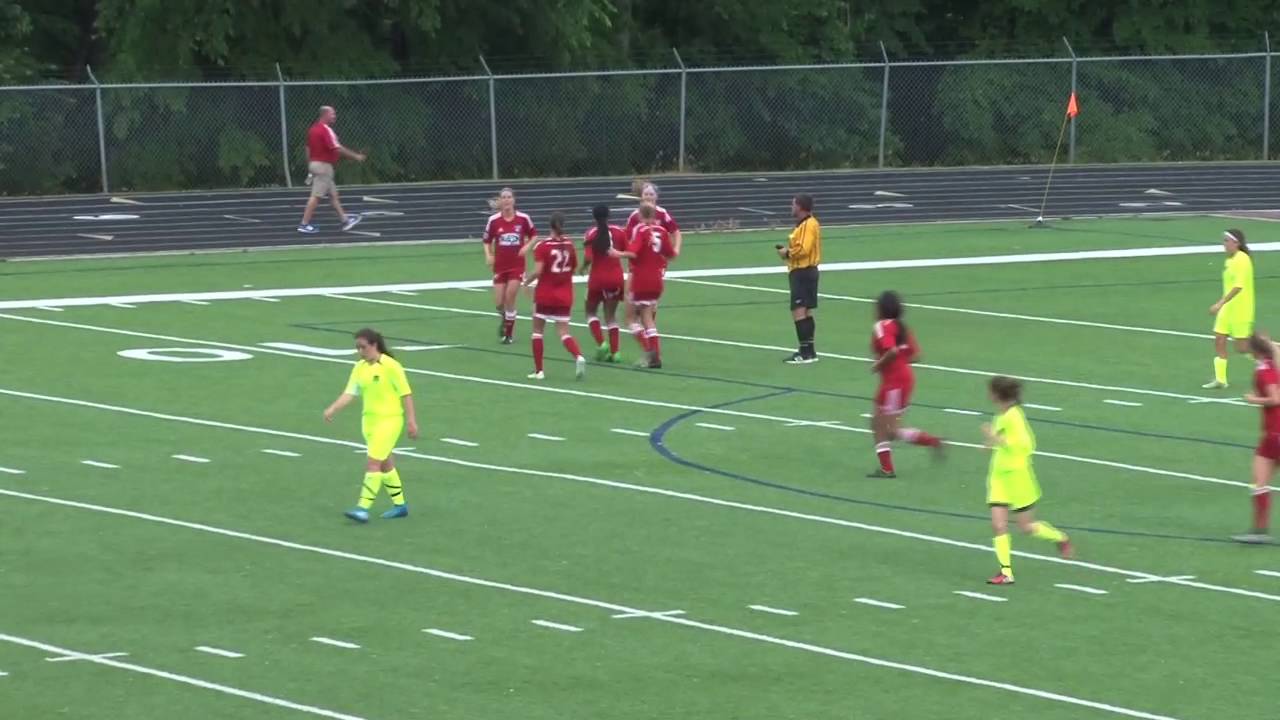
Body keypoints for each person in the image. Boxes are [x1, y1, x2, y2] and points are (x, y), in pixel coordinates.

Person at [981, 376, 1072, 585]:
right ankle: (1006, 572)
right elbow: (1000, 439)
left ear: (997, 394)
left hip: (1018, 477)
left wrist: (995, 439)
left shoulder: (1015, 417)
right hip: (999, 478)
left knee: (1026, 527)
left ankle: (1060, 538)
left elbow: (1024, 445)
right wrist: (990, 443)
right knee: (998, 525)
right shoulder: (1001, 415)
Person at [323, 328, 419, 523]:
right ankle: (400, 506)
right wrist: (332, 409)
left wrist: (411, 421)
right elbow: (350, 392)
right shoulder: (359, 368)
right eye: (357, 348)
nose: (360, 351)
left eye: (363, 347)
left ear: (374, 345)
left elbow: (406, 393)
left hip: (389, 420)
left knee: (373, 463)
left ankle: (363, 508)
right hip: (369, 422)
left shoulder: (391, 366)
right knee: (385, 464)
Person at [866, 291, 942, 478]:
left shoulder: (882, 326)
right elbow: (915, 355)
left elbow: (890, 350)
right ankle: (931, 442)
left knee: (884, 428)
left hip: (893, 382)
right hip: (905, 379)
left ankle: (888, 468)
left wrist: (879, 365)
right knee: (882, 425)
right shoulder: (903, 328)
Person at [612, 203, 678, 369]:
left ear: (640, 216)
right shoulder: (662, 231)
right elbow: (671, 255)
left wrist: (616, 253)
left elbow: (633, 252)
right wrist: (676, 248)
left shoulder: (640, 230)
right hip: (657, 280)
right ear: (655, 216)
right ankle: (655, 357)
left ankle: (649, 351)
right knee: (648, 318)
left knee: (630, 319)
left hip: (641, 279)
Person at [521, 212, 586, 380]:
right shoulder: (570, 245)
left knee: (537, 332)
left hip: (545, 294)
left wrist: (526, 282)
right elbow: (573, 267)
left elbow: (538, 271)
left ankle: (539, 371)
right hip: (564, 294)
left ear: (550, 225)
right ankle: (578, 356)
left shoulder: (543, 246)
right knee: (564, 332)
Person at [1234, 333, 1280, 543]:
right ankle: (1259, 531)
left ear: (1255, 350)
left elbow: (1275, 398)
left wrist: (1253, 399)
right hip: (1273, 434)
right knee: (1259, 481)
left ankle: (1260, 531)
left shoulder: (1264, 371)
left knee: (1259, 482)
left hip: (1274, 434)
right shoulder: (1273, 364)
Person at [298, 106, 366, 234]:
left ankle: (345, 221)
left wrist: (310, 165)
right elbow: (337, 148)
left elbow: (307, 148)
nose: (335, 116)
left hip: (317, 165)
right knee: (316, 196)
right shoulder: (325, 130)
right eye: (332, 114)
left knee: (333, 195)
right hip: (323, 167)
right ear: (325, 115)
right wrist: (356, 156)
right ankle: (304, 224)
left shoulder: (313, 129)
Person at [482, 187, 538, 345]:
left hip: (516, 266)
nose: (506, 200)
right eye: (503, 197)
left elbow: (534, 235)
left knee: (509, 297)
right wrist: (489, 255)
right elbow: (486, 241)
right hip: (500, 266)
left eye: (509, 197)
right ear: (500, 201)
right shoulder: (493, 220)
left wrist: (527, 246)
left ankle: (509, 334)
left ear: (514, 200)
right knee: (499, 302)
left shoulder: (523, 218)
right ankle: (504, 317)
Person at [1204, 229, 1255, 389]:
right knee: (1219, 339)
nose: (1224, 244)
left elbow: (1238, 287)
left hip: (1241, 308)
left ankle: (1272, 356)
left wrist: (1220, 303)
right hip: (1228, 309)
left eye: (1227, 241)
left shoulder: (1242, 260)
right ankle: (1221, 379)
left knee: (1242, 348)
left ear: (1236, 243)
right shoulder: (1230, 260)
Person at [776, 193, 821, 363]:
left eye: (793, 204)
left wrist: (787, 253)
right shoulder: (806, 224)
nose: (791, 207)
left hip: (803, 272)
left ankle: (805, 352)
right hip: (807, 271)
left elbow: (804, 249)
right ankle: (809, 350)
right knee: (806, 311)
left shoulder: (808, 225)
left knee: (799, 311)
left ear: (800, 206)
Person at [582, 204, 628, 363]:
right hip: (615, 278)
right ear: (609, 215)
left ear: (594, 217)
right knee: (611, 316)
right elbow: (627, 251)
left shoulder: (591, 233)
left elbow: (588, 258)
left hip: (597, 278)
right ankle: (616, 353)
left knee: (590, 312)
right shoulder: (620, 232)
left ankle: (602, 344)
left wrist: (582, 268)